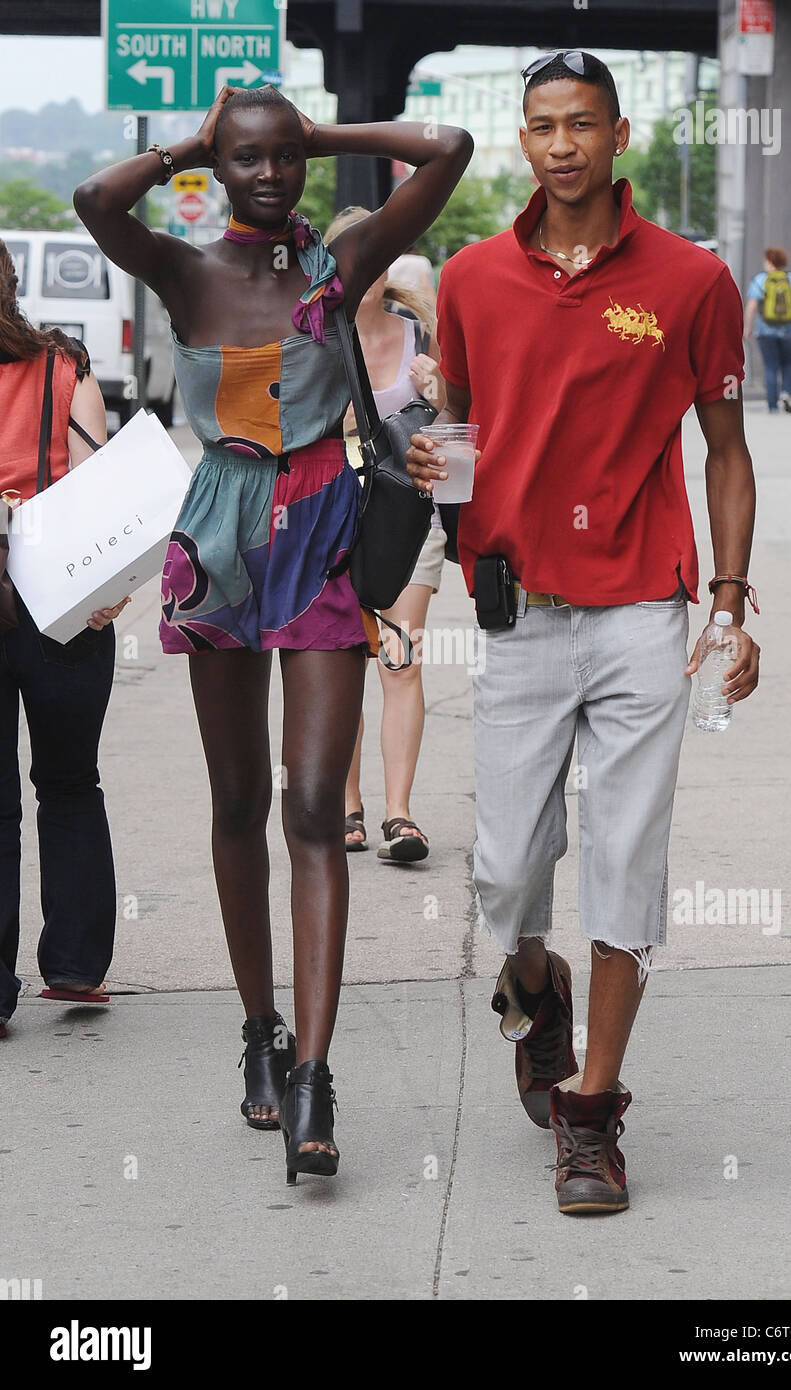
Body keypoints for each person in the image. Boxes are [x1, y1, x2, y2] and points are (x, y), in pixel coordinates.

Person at [74, 85, 471, 1182]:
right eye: (246, 158)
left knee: (309, 803)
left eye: (283, 158)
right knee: (240, 803)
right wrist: (188, 146)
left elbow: (449, 147)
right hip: (216, 546)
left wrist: (323, 130)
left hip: (325, 537)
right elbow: (94, 198)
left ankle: (315, 1074)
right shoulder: (186, 269)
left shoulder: (334, 266)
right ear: (217, 161)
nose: (268, 174)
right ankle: (260, 1032)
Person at [407, 51, 761, 1215]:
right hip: (522, 613)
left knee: (626, 861)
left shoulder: (691, 278)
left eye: (582, 125)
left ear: (618, 138)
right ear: (525, 141)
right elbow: (458, 432)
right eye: (541, 126)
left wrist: (730, 599)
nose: (561, 145)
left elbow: (724, 450)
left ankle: (592, 1116)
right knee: (507, 873)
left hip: (643, 615)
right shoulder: (468, 282)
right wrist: (432, 470)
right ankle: (534, 987)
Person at [0, 237, 129, 1041]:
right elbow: (104, 493)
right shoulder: (63, 370)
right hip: (63, 602)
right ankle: (76, 963)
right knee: (70, 781)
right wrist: (108, 589)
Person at [323, 207, 445, 862]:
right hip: (330, 519)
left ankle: (400, 814)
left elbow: (453, 426)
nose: (365, 267)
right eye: (351, 254)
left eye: (376, 253)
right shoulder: (313, 339)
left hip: (406, 518)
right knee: (343, 662)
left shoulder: (418, 333)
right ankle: (348, 805)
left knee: (400, 657)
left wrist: (443, 391)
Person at [744, 247, 791, 413]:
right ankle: (786, 393)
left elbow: (752, 306)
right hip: (790, 331)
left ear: (770, 262)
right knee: (788, 364)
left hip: (766, 331)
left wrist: (748, 327)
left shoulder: (761, 280)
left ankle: (772, 405)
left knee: (770, 366)